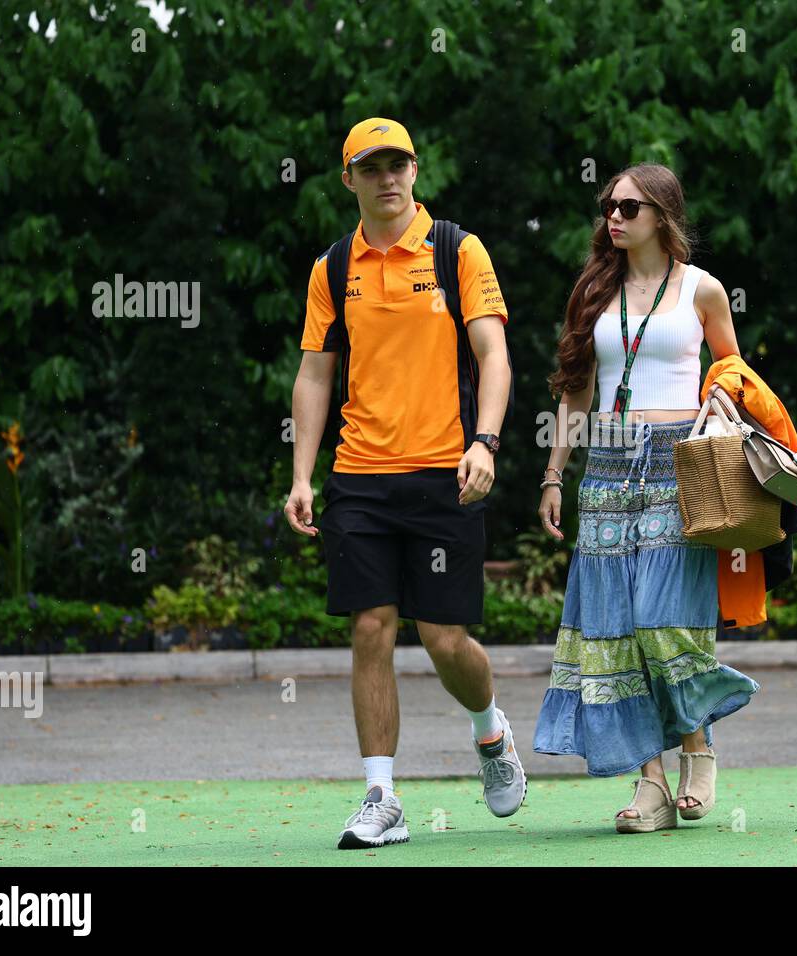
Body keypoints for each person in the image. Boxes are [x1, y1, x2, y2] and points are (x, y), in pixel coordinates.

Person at [284, 117, 525, 849]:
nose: (388, 178)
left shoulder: (457, 249)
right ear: (349, 178)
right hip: (358, 479)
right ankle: (381, 795)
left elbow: (494, 355)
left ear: (415, 171)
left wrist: (485, 441)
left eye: (399, 164)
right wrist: (302, 473)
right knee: (369, 630)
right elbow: (315, 373)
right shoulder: (332, 267)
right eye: (372, 167)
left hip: (444, 474)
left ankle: (490, 730)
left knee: (445, 639)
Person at [532, 162, 760, 832]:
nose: (615, 217)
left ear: (663, 213)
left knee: (665, 620)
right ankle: (650, 785)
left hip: (676, 466)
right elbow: (575, 387)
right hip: (605, 468)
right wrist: (554, 474)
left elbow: (733, 369)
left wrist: (721, 392)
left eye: (629, 207)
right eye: (608, 206)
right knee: (615, 632)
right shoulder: (594, 290)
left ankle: (699, 745)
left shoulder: (702, 290)